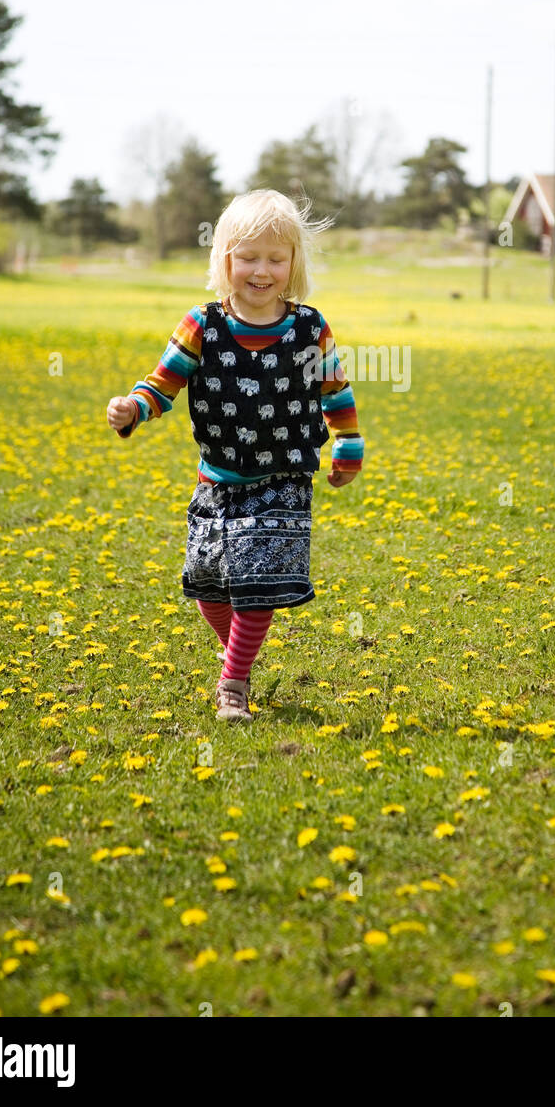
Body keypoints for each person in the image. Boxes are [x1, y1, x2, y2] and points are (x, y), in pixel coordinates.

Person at [105, 190, 363, 723]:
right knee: (208, 585)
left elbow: (334, 392)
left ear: (293, 263)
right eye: (248, 256)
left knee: (258, 584)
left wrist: (348, 443)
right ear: (225, 260)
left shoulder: (310, 328)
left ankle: (234, 684)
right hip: (217, 477)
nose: (261, 270)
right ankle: (237, 653)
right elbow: (164, 383)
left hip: (285, 474)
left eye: (275, 257)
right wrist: (134, 407)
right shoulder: (201, 325)